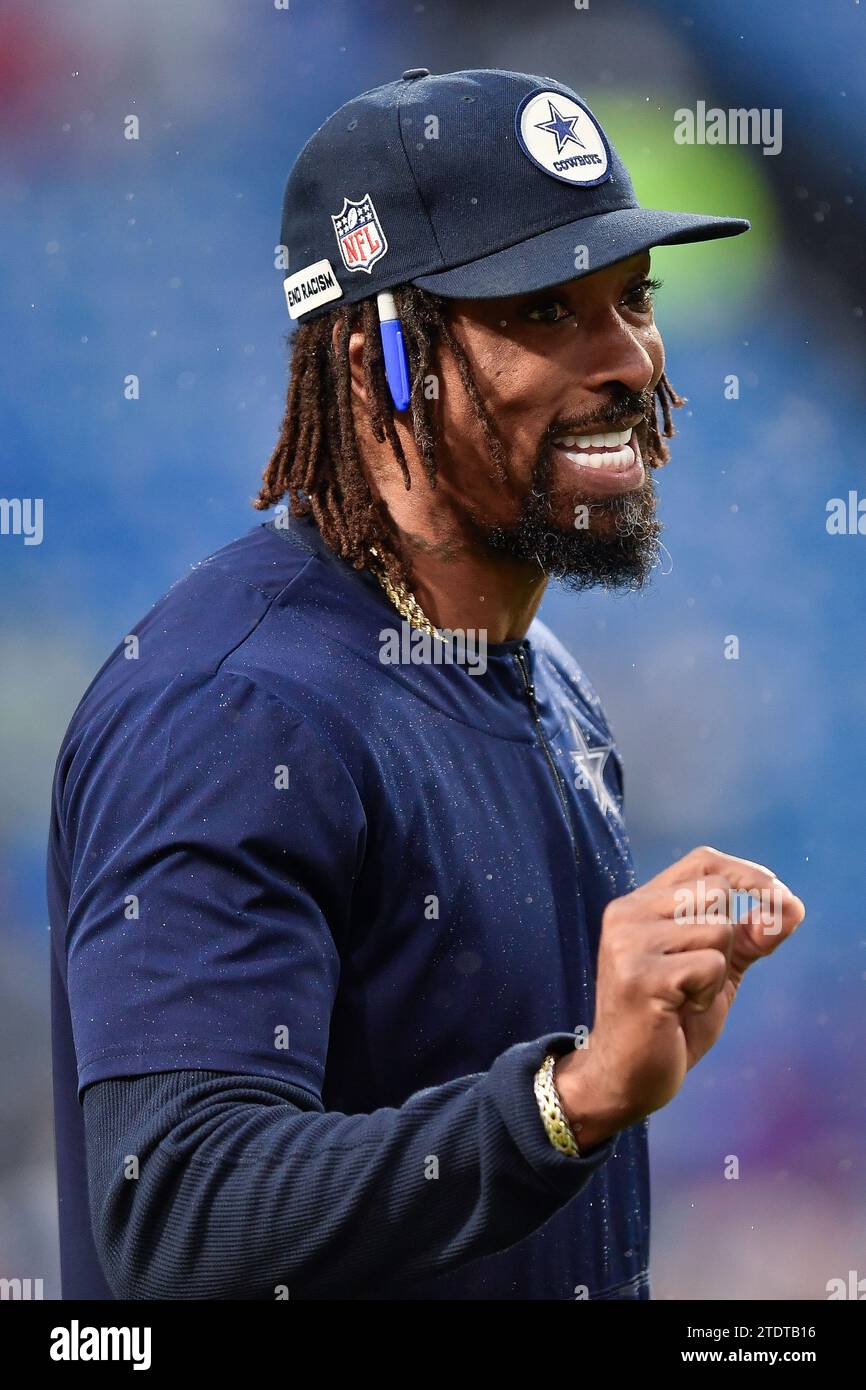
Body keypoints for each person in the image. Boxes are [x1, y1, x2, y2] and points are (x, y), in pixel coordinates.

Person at [48, 67, 805, 1301]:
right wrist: (567, 1099)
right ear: (375, 361)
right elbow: (174, 1217)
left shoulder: (538, 677)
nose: (625, 358)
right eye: (544, 312)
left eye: (632, 299)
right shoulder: (236, 709)